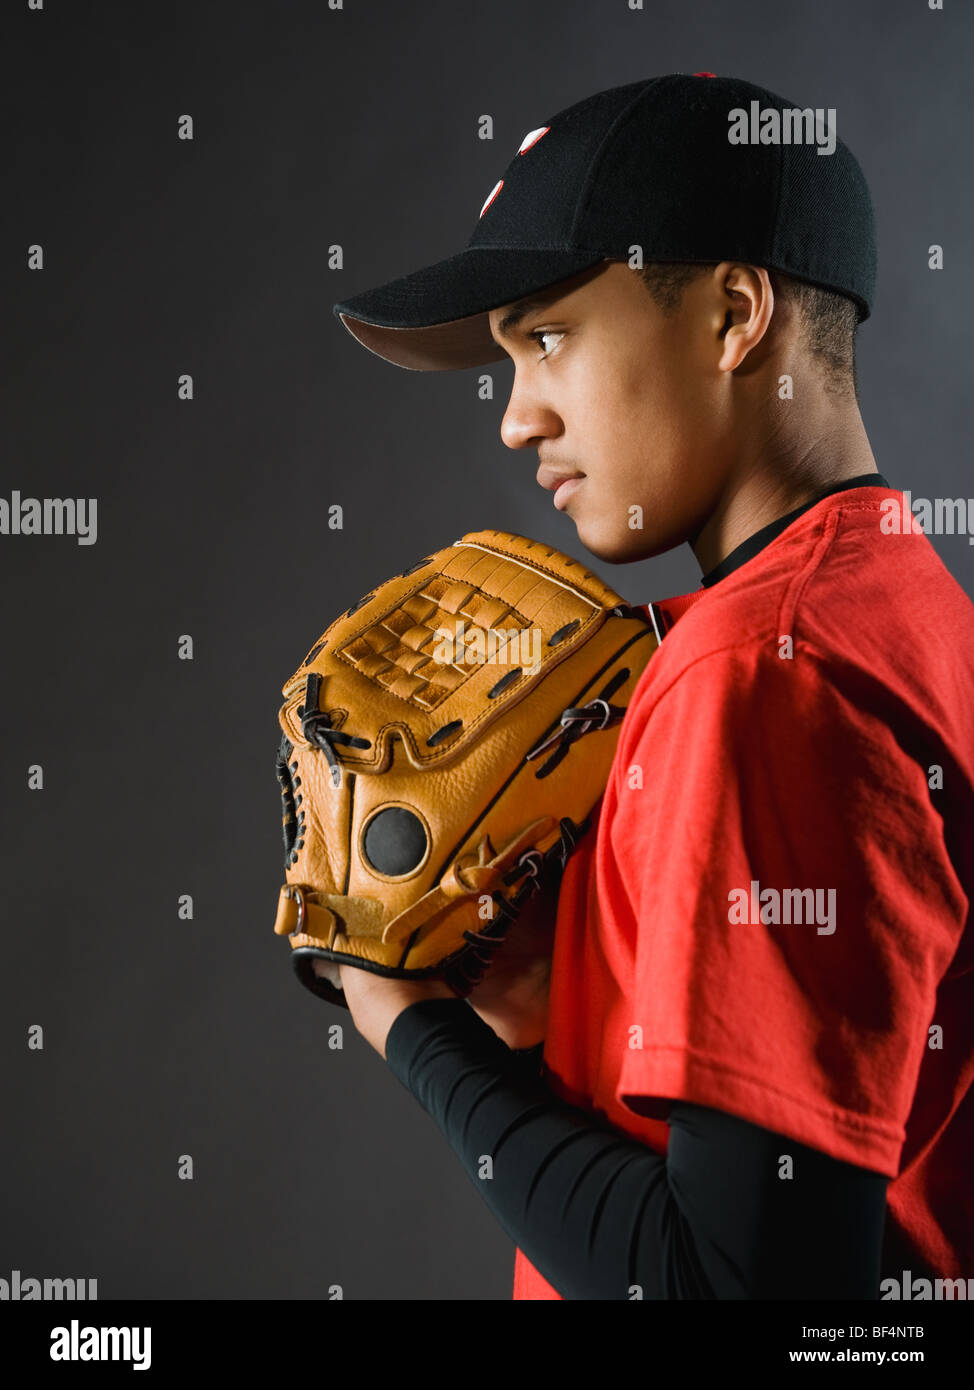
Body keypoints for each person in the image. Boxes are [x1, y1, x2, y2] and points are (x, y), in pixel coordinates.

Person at [319, 73, 974, 1300]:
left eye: (547, 338)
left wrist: (403, 1018)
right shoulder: (907, 615)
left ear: (732, 314)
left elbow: (745, 1290)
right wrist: (542, 1013)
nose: (515, 421)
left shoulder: (758, 670)